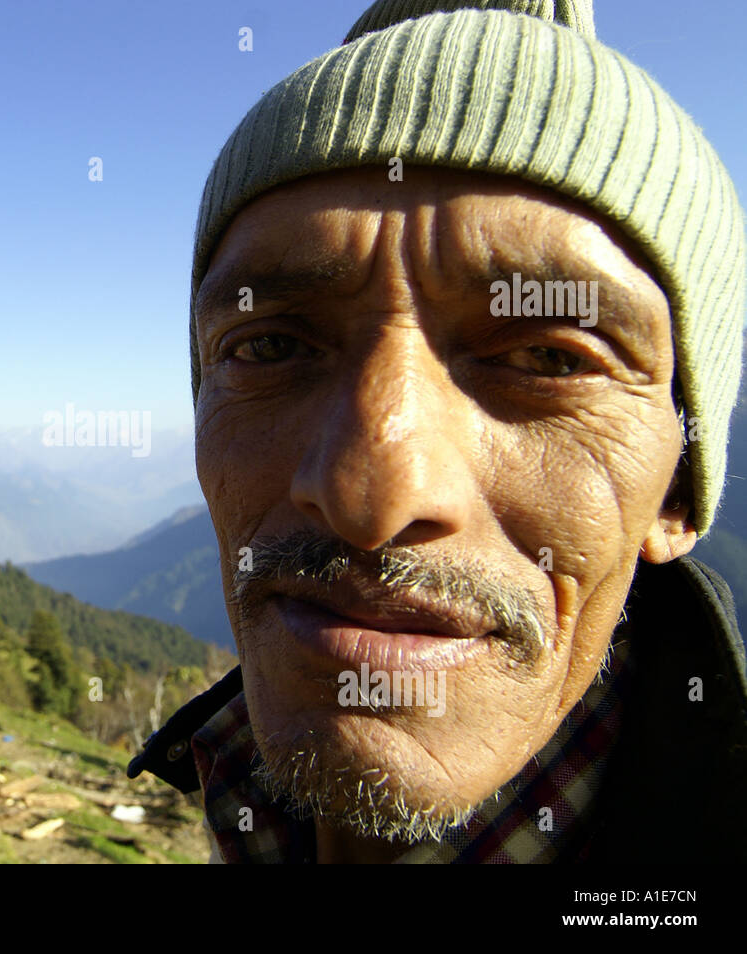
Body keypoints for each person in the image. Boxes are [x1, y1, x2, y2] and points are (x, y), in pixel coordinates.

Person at [128, 0, 747, 863]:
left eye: (548, 357)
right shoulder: (240, 794)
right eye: (269, 345)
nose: (374, 491)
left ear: (678, 492)